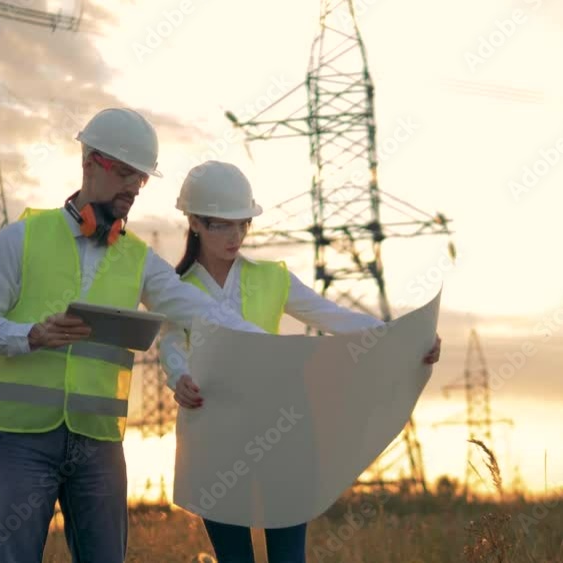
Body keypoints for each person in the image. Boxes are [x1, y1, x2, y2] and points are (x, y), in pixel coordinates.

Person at [0, 109, 266, 563]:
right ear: (89, 162)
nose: (132, 188)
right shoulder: (20, 239)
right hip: (23, 440)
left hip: (98, 443)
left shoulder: (138, 260)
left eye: (140, 179)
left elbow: (204, 312)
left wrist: (280, 347)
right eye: (124, 173)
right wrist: (32, 335)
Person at [159, 160, 442, 563]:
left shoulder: (273, 278)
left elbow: (335, 318)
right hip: (213, 441)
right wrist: (179, 378)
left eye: (243, 224)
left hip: (281, 437)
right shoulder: (176, 289)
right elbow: (170, 343)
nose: (236, 235)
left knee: (289, 559)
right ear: (195, 223)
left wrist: (404, 339)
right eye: (223, 224)